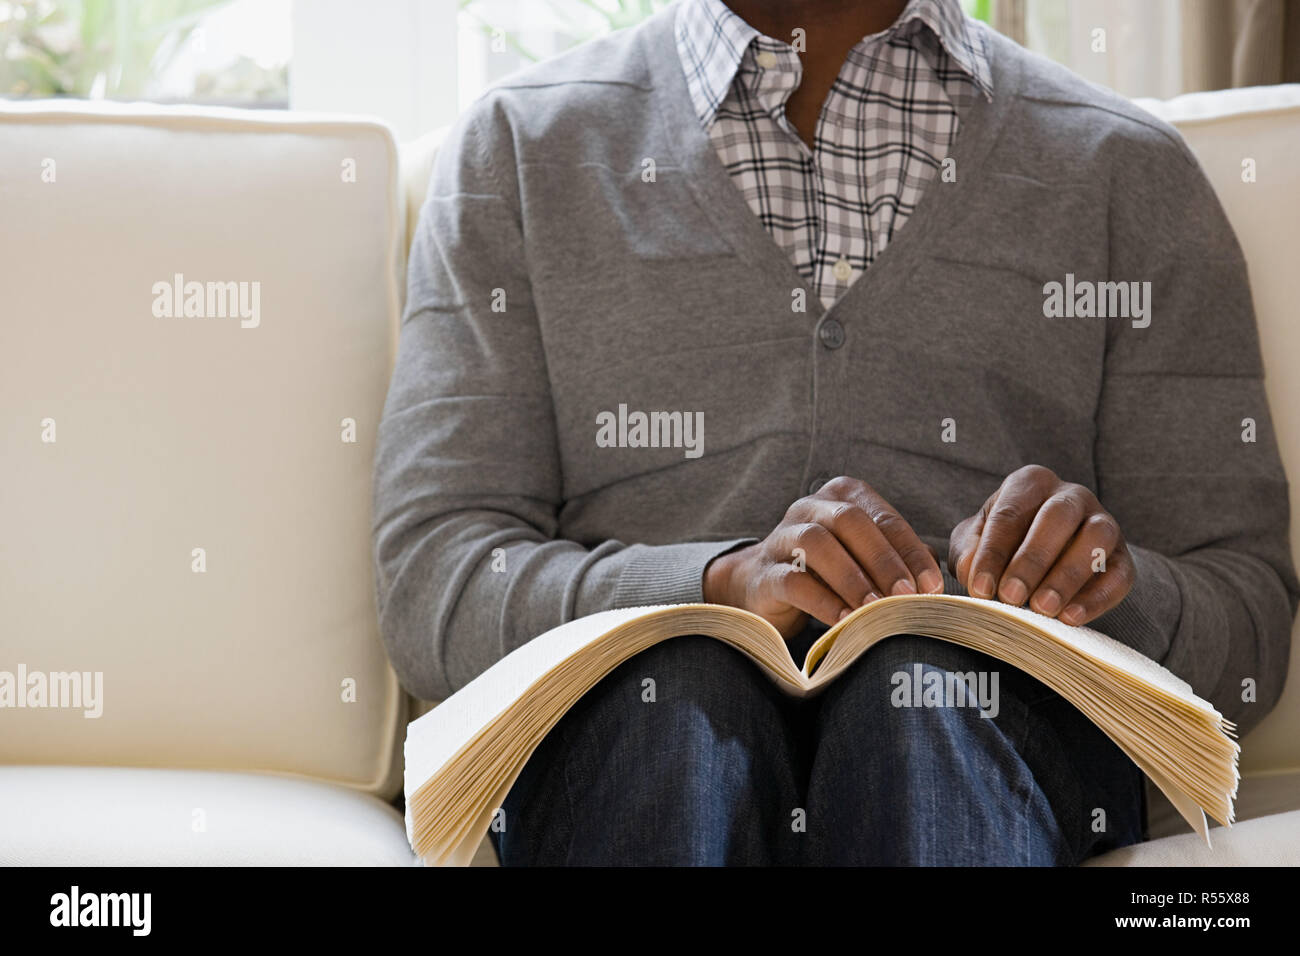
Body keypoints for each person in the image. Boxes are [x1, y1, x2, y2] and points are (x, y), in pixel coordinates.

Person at [372, 0, 1298, 865]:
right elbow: (432, 581)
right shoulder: (518, 152)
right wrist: (709, 589)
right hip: (636, 745)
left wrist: (1093, 590)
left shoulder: (1126, 169)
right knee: (680, 692)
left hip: (995, 735)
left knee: (919, 692)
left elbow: (1248, 625)